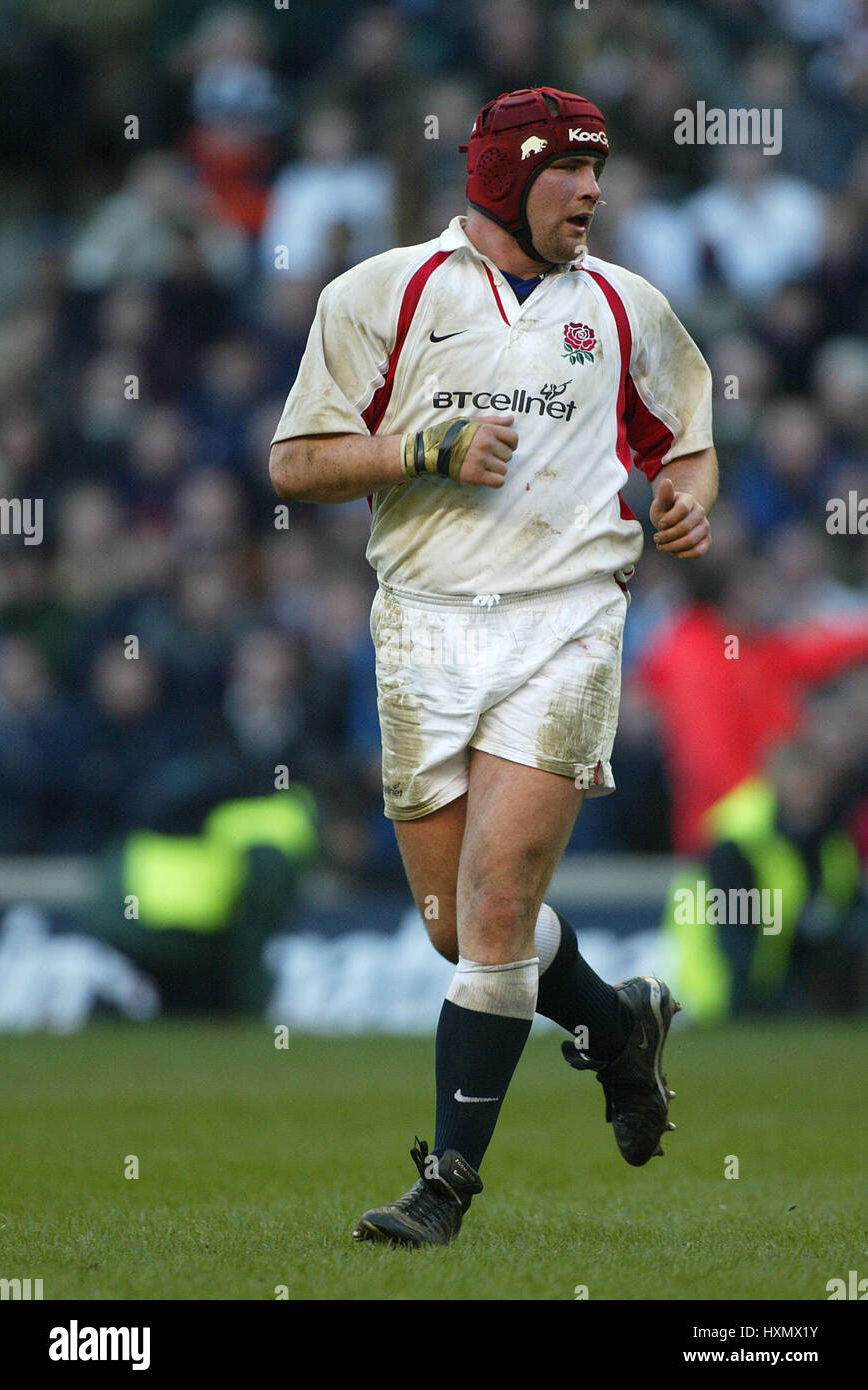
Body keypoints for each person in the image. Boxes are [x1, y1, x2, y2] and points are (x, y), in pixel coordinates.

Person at [269, 87, 718, 1246]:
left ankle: (445, 1185)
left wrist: (682, 505)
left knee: (498, 902)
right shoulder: (379, 293)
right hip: (421, 626)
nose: (593, 192)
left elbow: (689, 440)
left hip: (564, 622)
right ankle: (616, 1025)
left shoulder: (625, 305)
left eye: (599, 170)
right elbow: (295, 463)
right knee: (455, 927)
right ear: (506, 175)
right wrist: (420, 447)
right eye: (572, 169)